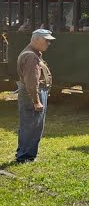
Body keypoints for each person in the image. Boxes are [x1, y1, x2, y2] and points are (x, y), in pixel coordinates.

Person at [14, 28, 55, 163]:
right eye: (46, 40)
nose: (48, 43)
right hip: (33, 94)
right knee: (33, 125)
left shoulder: (32, 53)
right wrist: (36, 101)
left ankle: (24, 153)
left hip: (32, 93)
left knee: (29, 124)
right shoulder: (31, 56)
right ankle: (25, 156)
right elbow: (32, 82)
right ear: (36, 40)